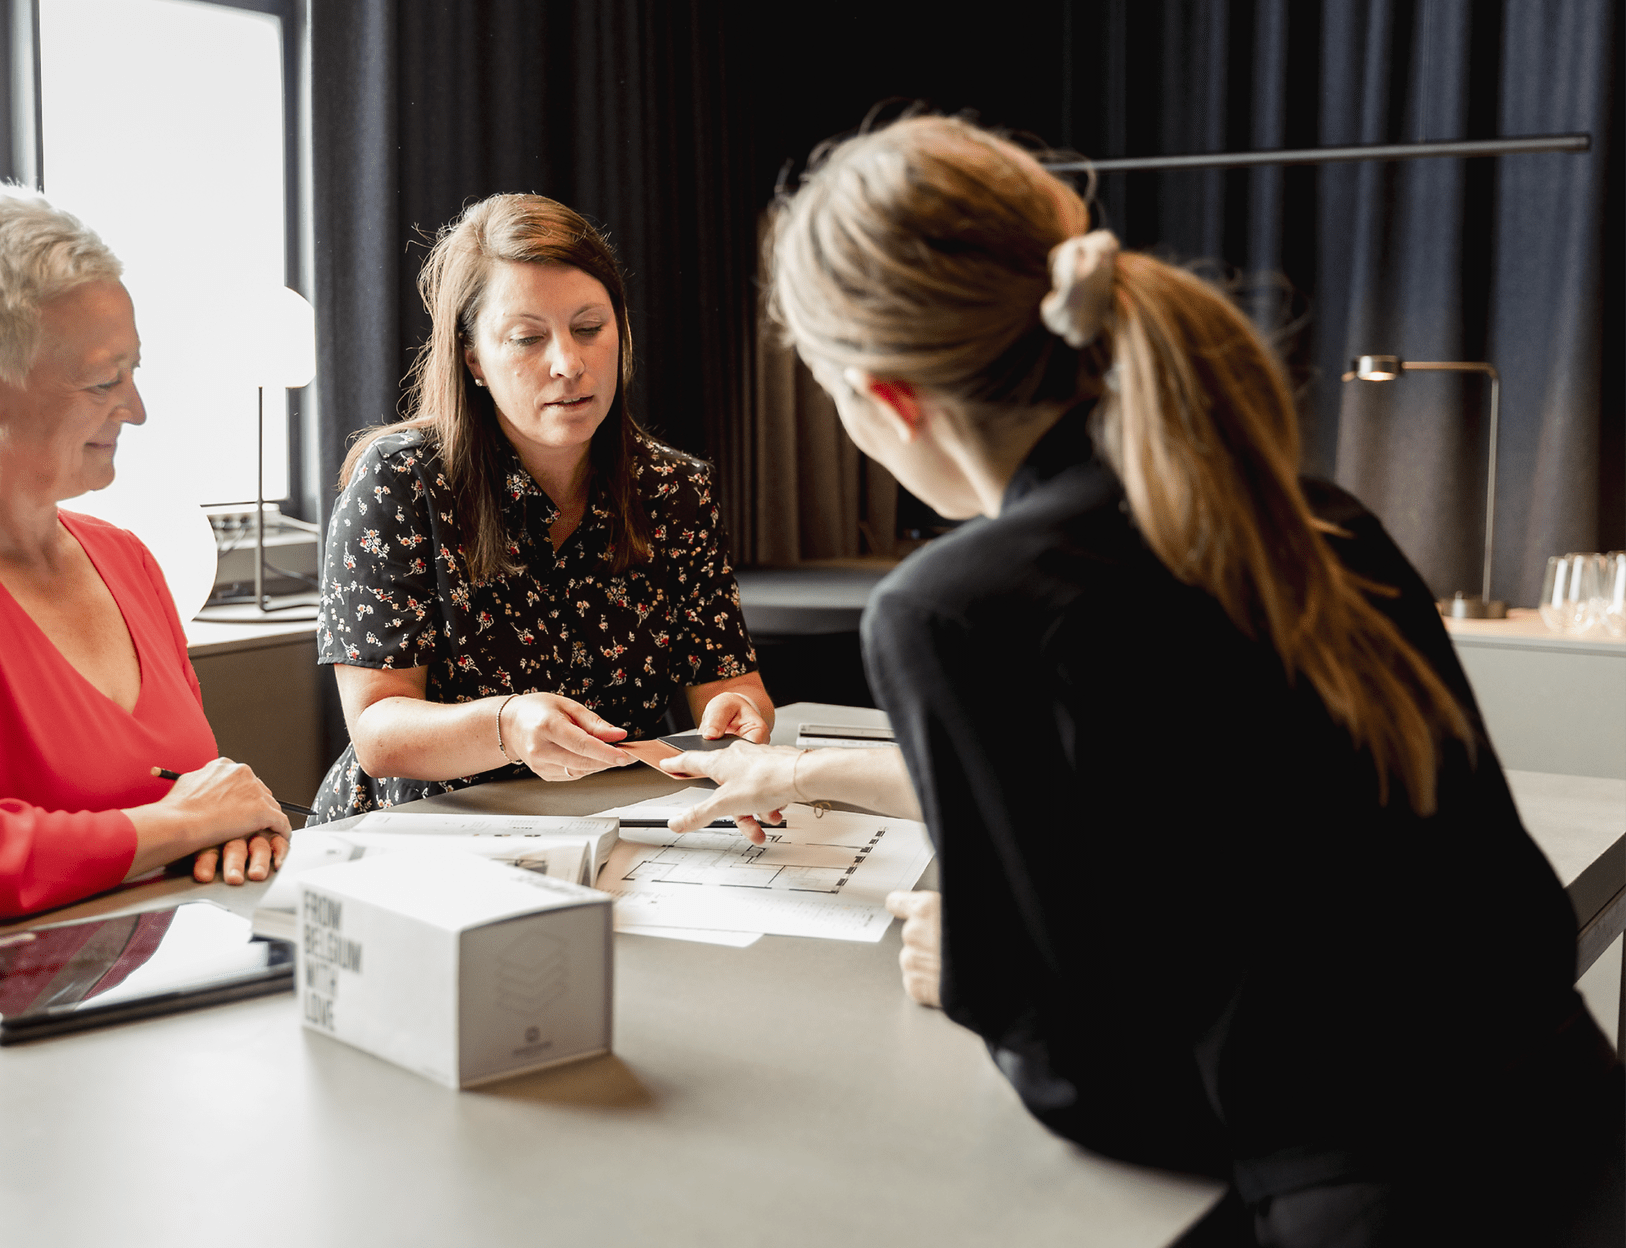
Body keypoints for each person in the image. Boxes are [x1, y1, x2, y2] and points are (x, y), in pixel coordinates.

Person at [662, 117, 1621, 1246]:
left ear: (887, 400)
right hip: (1577, 1132)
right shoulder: (1313, 517)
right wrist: (830, 771)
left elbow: (1093, 1082)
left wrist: (967, 971)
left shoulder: (952, 606)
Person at [0, 194, 291, 938]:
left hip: (132, 1007)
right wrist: (183, 824)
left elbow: (190, 796)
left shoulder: (128, 560)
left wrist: (234, 829)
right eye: (103, 381)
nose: (135, 410)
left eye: (134, 373)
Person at [311, 193, 772, 819]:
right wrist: (507, 723)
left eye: (590, 329)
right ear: (473, 357)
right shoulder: (401, 483)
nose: (569, 364)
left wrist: (738, 717)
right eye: (527, 338)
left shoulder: (674, 489)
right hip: (424, 827)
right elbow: (378, 734)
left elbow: (730, 682)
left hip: (612, 820)